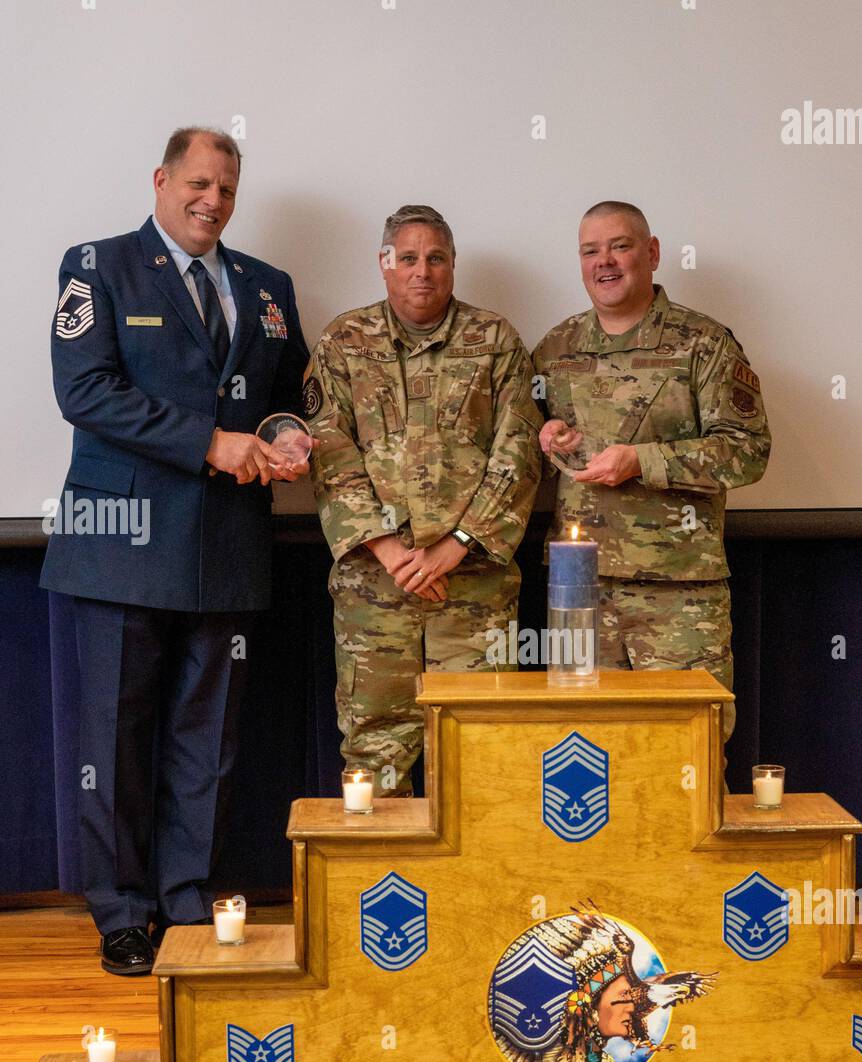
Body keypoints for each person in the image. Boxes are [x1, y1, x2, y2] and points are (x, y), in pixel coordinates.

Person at [41, 127, 310, 975]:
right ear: (161, 179)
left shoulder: (267, 285)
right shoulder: (98, 265)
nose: (213, 202)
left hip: (227, 547)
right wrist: (211, 443)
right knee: (115, 740)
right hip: (120, 544)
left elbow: (287, 394)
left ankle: (187, 903)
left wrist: (287, 436)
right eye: (198, 183)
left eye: (227, 189)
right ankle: (122, 912)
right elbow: (84, 391)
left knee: (210, 741)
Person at [303, 205, 541, 795]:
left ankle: (474, 891)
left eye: (436, 258)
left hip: (473, 588)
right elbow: (329, 452)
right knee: (374, 749)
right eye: (407, 258)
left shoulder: (495, 340)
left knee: (480, 754)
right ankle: (386, 887)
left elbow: (519, 454)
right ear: (384, 264)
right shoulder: (343, 343)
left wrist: (454, 546)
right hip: (375, 593)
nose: (422, 272)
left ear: (453, 265)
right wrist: (390, 551)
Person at [532, 200, 771, 741]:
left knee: (688, 754)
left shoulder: (703, 344)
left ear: (653, 253)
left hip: (679, 592)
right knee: (584, 757)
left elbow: (747, 450)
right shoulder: (554, 350)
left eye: (620, 246)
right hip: (579, 594)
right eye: (591, 251)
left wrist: (643, 460)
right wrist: (546, 439)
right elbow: (520, 452)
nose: (605, 262)